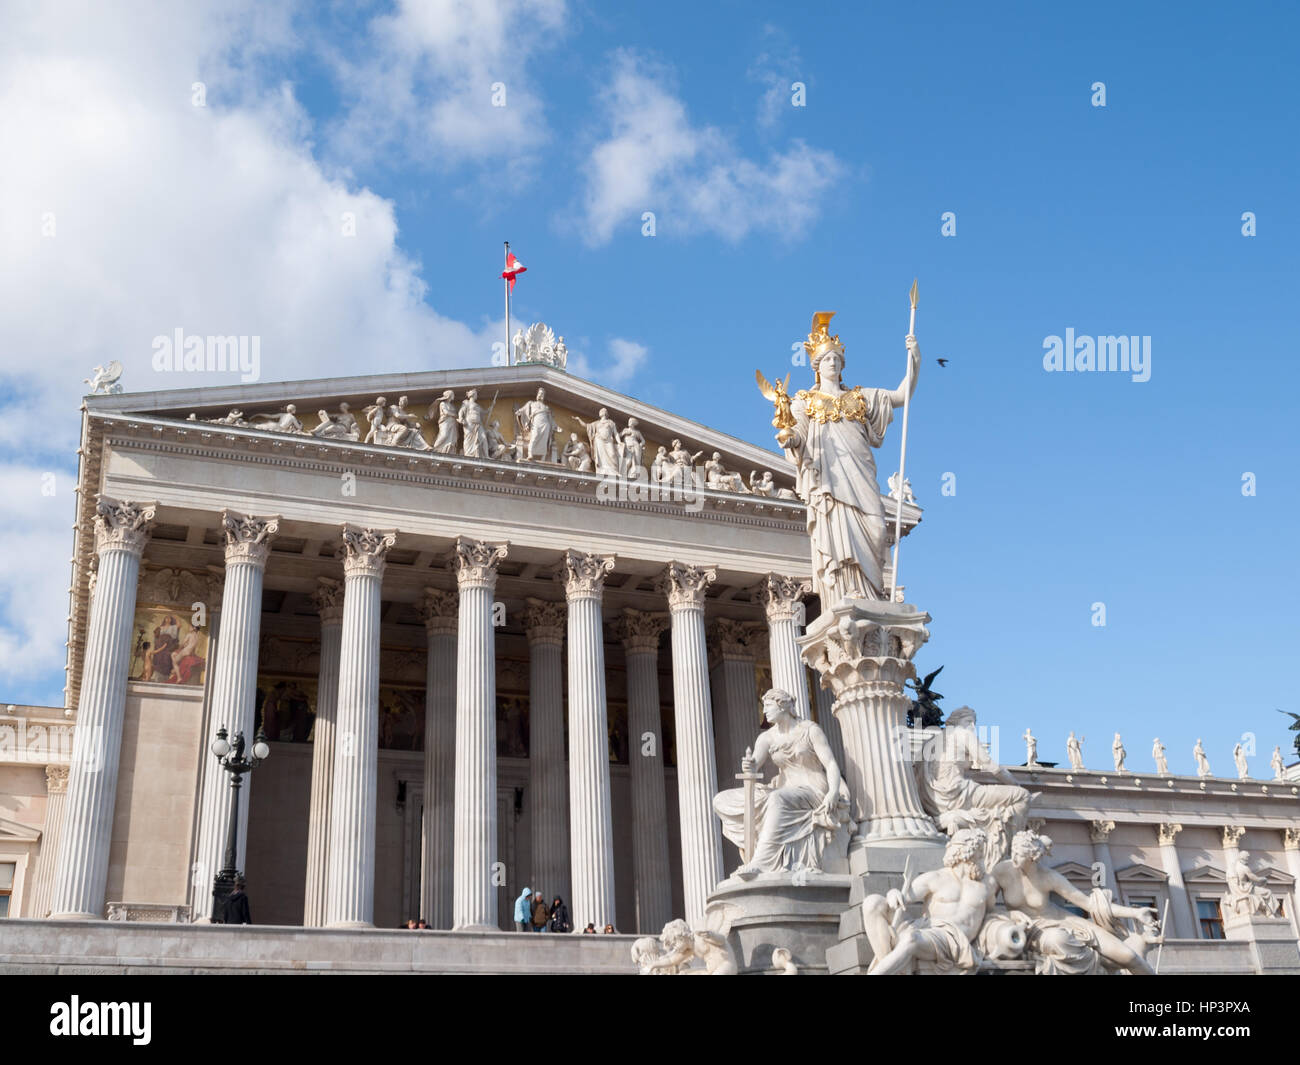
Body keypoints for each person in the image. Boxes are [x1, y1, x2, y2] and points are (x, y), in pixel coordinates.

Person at [773, 314, 919, 603]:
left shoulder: (861, 397)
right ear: (816, 366)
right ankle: (846, 595)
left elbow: (902, 396)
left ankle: (873, 595)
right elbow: (797, 436)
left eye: (837, 359)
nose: (832, 363)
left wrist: (914, 360)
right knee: (839, 538)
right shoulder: (806, 402)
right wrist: (789, 439)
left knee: (877, 531)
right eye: (827, 359)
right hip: (831, 480)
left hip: (861, 473)